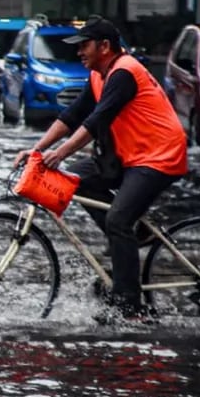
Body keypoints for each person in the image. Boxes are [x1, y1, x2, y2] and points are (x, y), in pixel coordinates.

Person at [14, 16, 187, 323]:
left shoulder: (125, 72)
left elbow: (96, 122)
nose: (79, 52)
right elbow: (73, 115)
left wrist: (61, 152)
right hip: (127, 156)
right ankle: (133, 233)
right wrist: (38, 149)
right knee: (71, 177)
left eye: (84, 46)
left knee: (118, 219)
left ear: (104, 46)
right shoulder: (98, 74)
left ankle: (132, 310)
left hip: (158, 157)